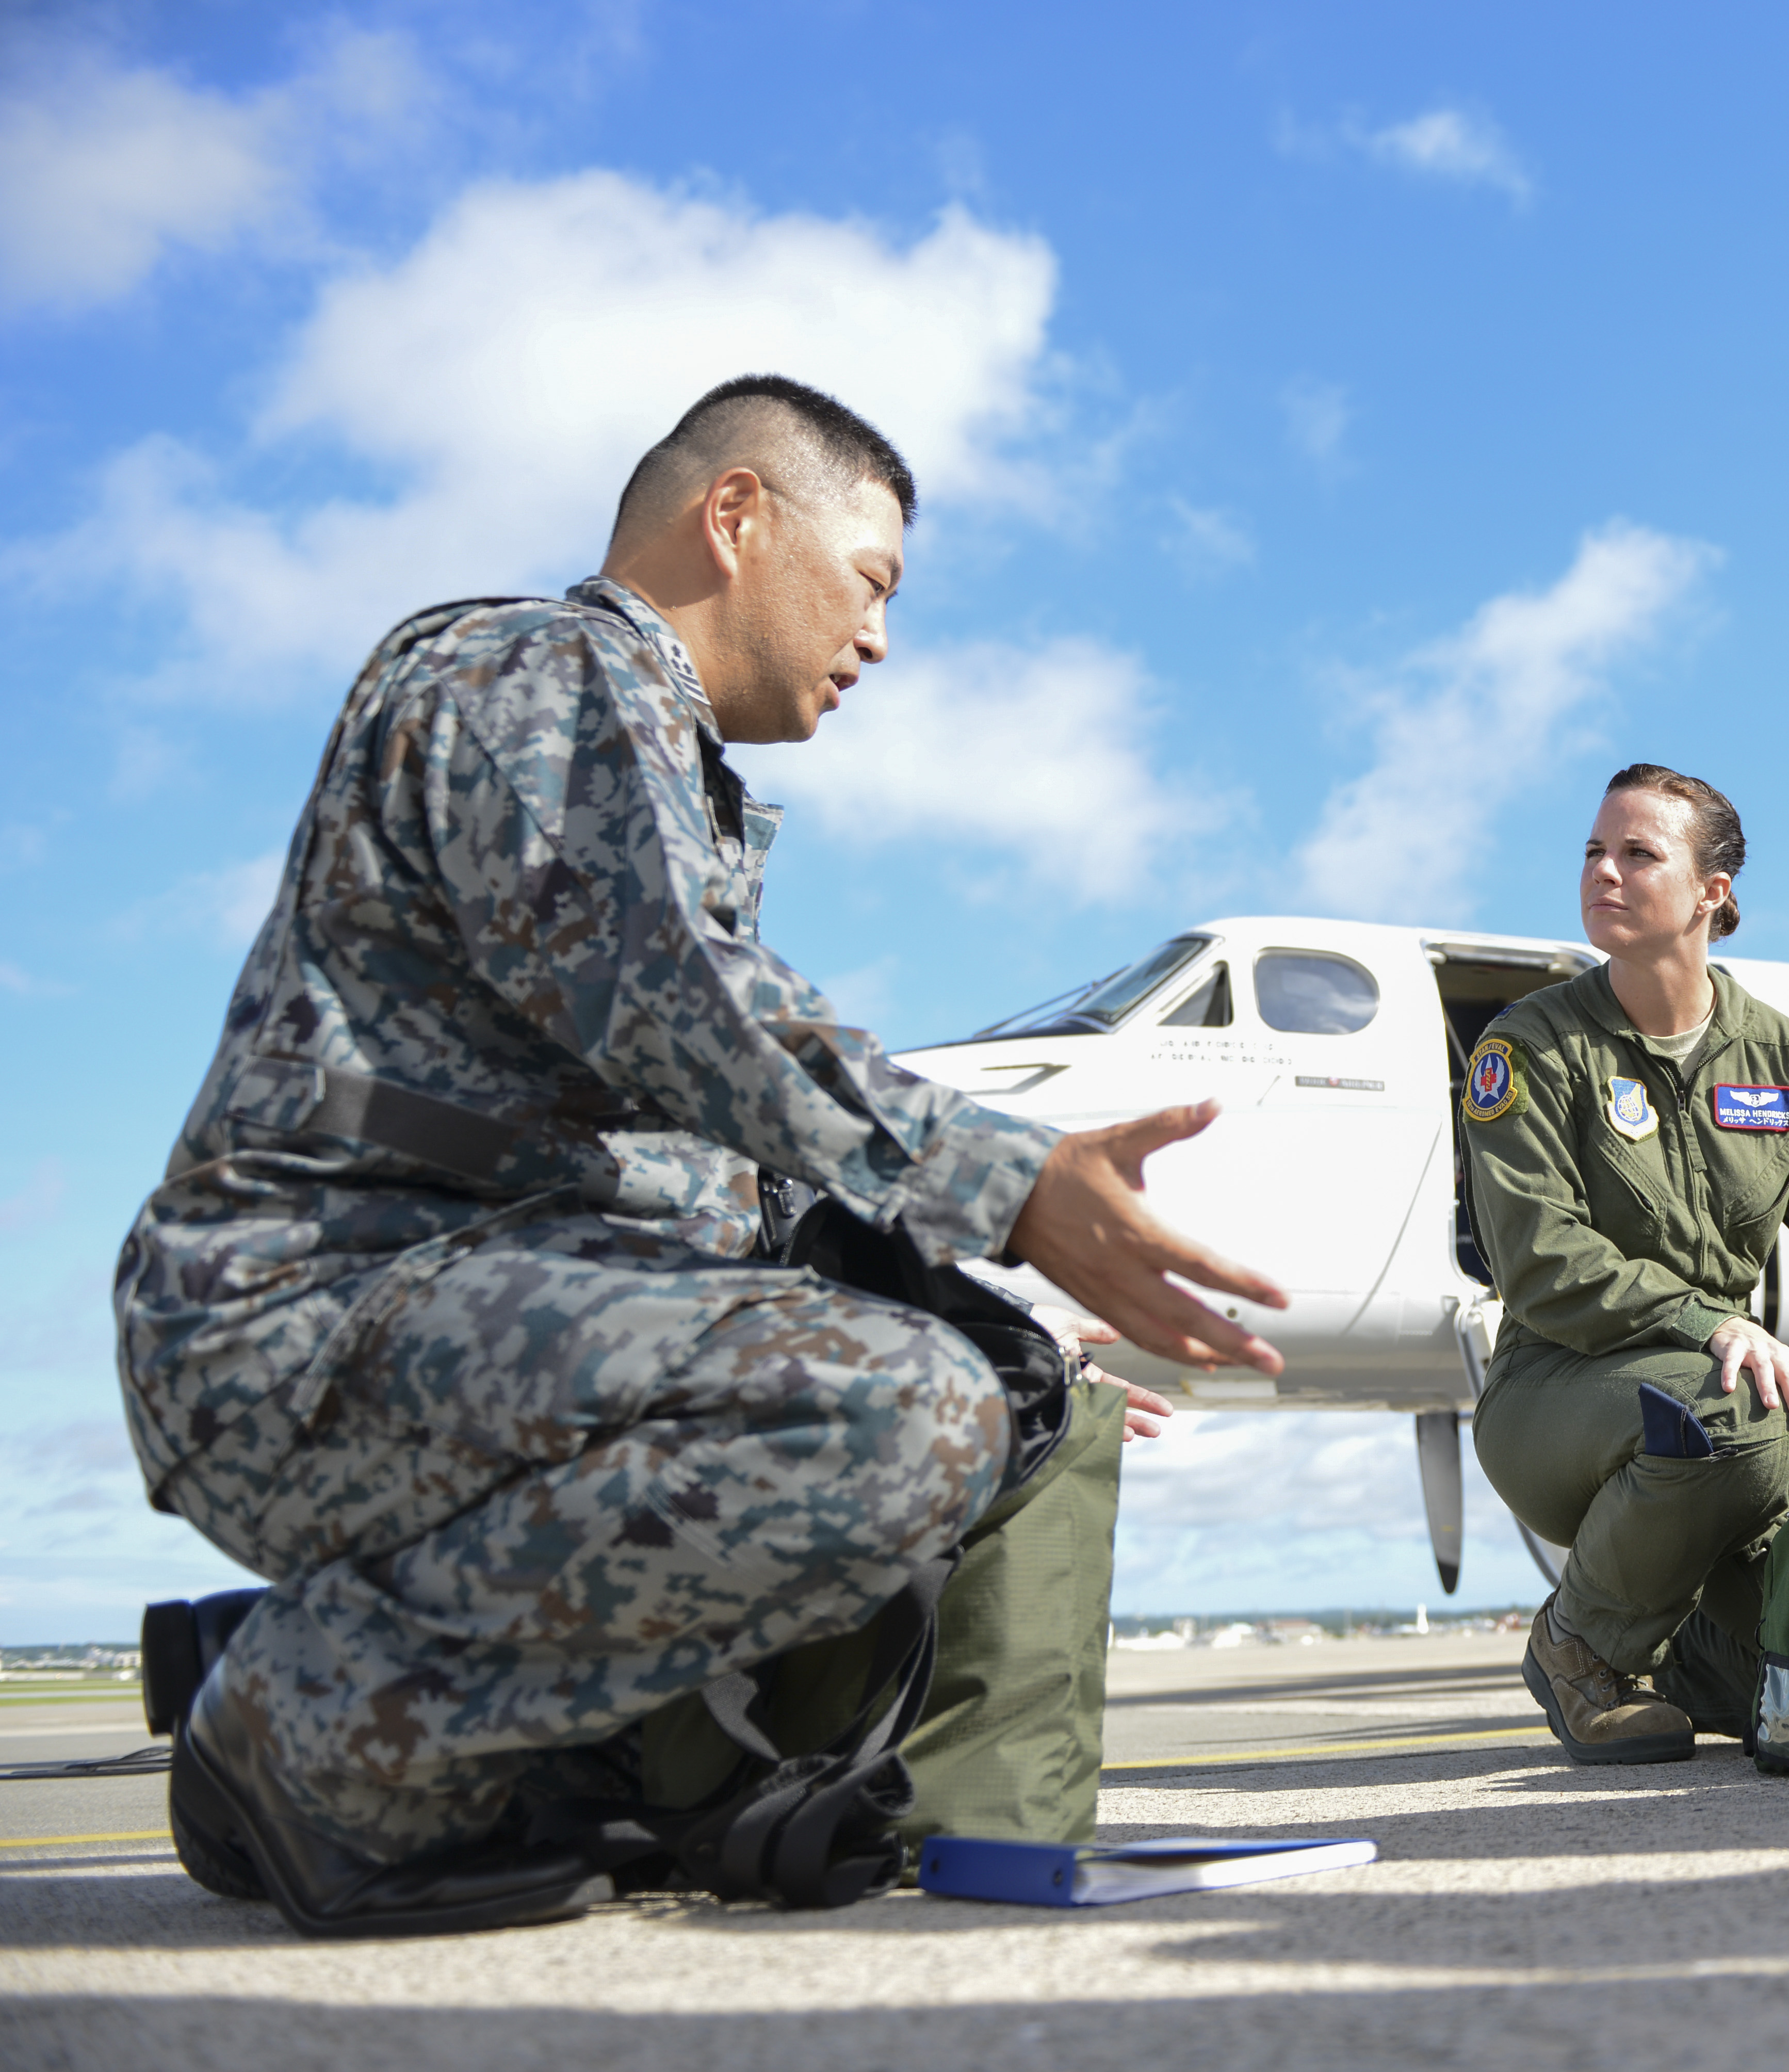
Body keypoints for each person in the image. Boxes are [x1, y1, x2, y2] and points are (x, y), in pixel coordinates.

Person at [116, 375, 1286, 1938]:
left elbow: (682, 1156)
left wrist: (979, 1313)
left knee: (969, 1374)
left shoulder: (649, 767)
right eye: (870, 584)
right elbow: (688, 1006)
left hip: (438, 1320)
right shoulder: (540, 670)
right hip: (300, 1309)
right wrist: (1008, 1184)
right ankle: (314, 1725)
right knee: (893, 1415)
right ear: (735, 516)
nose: (878, 639)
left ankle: (378, 1717)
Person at [1463, 764, 1789, 1761]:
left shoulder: (1777, 1056)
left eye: (1636, 853)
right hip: (1561, 1395)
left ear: (1713, 891)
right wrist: (1712, 1324)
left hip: (1734, 1401)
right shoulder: (1533, 1047)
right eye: (1593, 851)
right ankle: (1577, 1647)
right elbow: (1540, 1258)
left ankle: (1696, 1665)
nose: (1602, 873)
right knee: (1739, 1413)